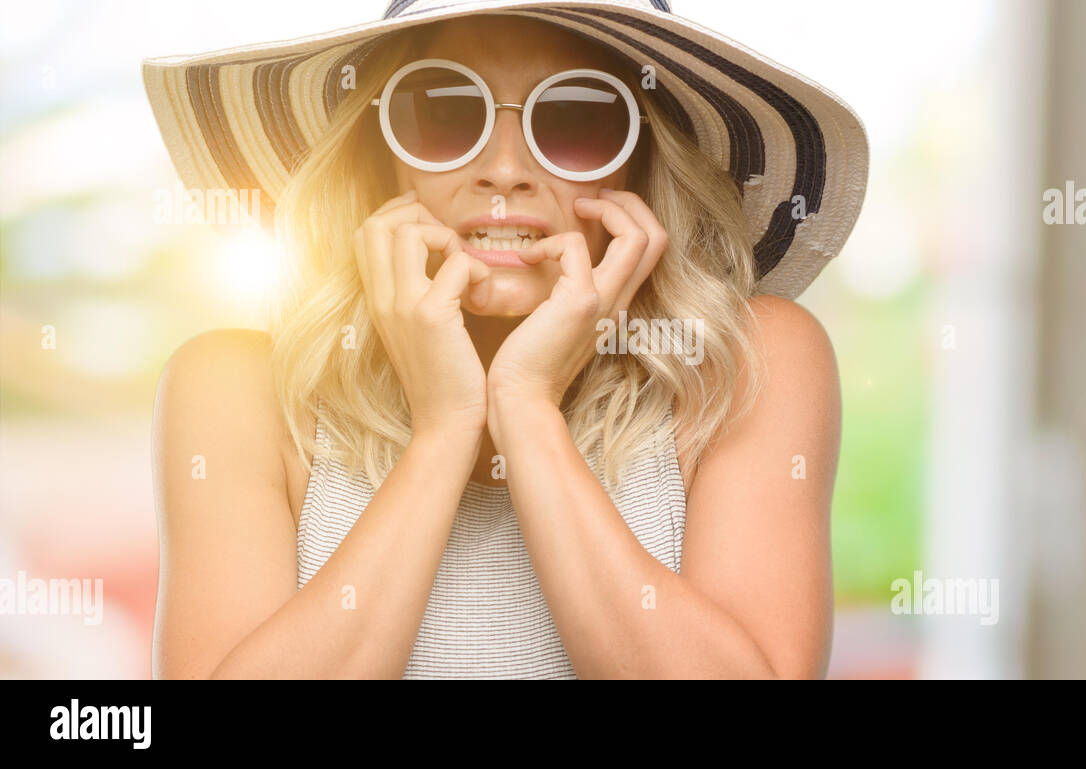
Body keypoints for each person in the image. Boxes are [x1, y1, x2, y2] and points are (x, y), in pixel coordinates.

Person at [145, 0, 868, 679]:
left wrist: (526, 407)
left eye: (576, 119)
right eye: (443, 111)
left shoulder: (748, 362)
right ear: (379, 154)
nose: (505, 171)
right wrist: (444, 428)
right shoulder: (237, 387)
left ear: (640, 162)